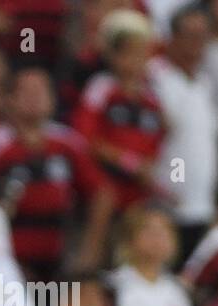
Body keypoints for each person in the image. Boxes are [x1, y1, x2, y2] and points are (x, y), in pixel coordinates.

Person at [0, 65, 112, 283]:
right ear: (10, 99)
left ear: (53, 99)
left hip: (58, 257)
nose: (35, 98)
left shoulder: (67, 142)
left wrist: (90, 249)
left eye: (41, 92)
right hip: (7, 258)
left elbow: (103, 193)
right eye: (27, 92)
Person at [72, 10, 167, 213]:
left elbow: (159, 138)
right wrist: (129, 162)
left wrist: (148, 168)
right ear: (112, 55)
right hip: (104, 175)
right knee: (105, 198)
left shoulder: (151, 97)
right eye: (127, 52)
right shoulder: (101, 87)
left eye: (141, 52)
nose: (134, 60)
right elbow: (86, 138)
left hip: (138, 182)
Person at [149, 3, 218, 259]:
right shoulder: (155, 76)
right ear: (173, 37)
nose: (196, 43)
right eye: (190, 35)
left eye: (202, 36)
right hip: (167, 206)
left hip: (202, 206)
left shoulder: (204, 82)